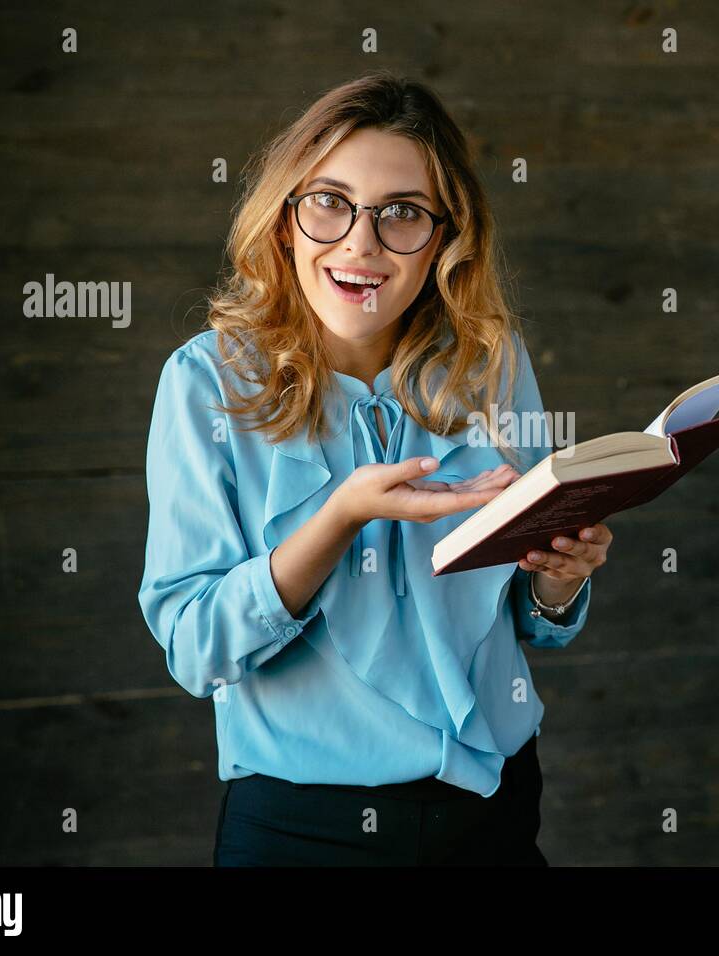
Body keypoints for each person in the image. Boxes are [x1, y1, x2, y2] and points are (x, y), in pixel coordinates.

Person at [137, 70, 614, 866]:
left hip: (493, 816)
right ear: (285, 222)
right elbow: (195, 649)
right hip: (303, 833)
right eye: (330, 201)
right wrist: (339, 518)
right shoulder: (205, 383)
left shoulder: (490, 366)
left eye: (402, 213)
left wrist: (558, 581)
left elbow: (532, 624)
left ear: (445, 239)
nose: (361, 242)